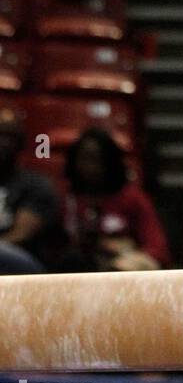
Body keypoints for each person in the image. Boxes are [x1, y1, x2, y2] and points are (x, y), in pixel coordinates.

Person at [59, 129, 169, 271]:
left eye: (96, 159)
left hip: (123, 265)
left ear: (109, 162)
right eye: (84, 158)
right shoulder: (66, 199)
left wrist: (122, 250)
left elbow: (158, 251)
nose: (89, 167)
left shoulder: (133, 198)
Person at [0, 107, 61, 273]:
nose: (2, 143)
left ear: (19, 143)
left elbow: (20, 235)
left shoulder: (36, 185)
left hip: (19, 263)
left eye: (8, 136)